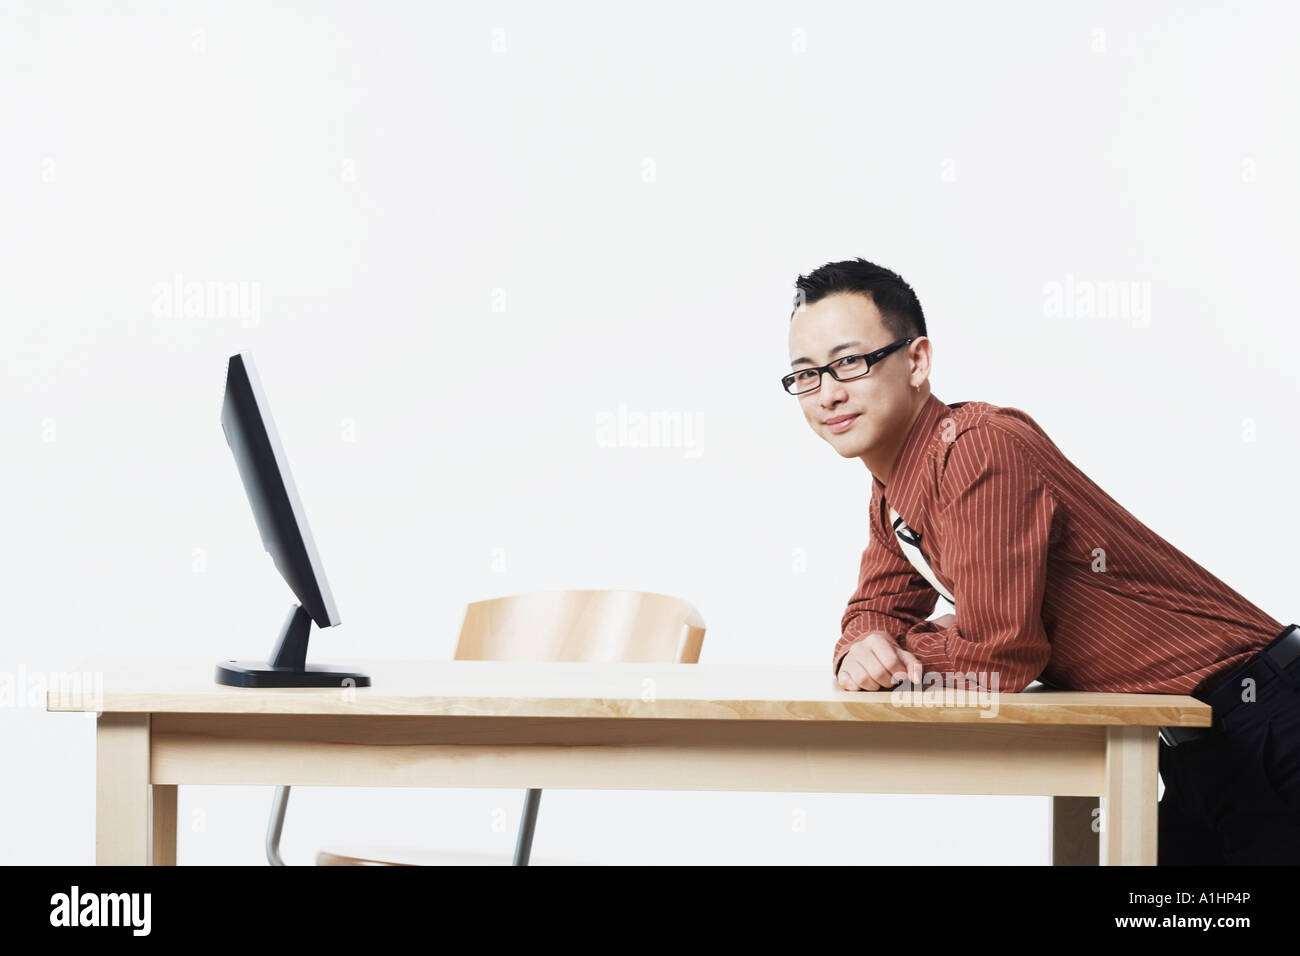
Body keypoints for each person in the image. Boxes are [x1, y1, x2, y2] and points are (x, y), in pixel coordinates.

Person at [785, 256, 1300, 864]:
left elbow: (999, 656)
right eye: (806, 375)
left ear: (917, 361)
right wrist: (862, 646)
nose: (829, 392)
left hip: (1266, 719)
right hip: (1193, 741)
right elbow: (876, 608)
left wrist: (901, 655)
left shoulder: (980, 451)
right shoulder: (897, 489)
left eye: (850, 362)